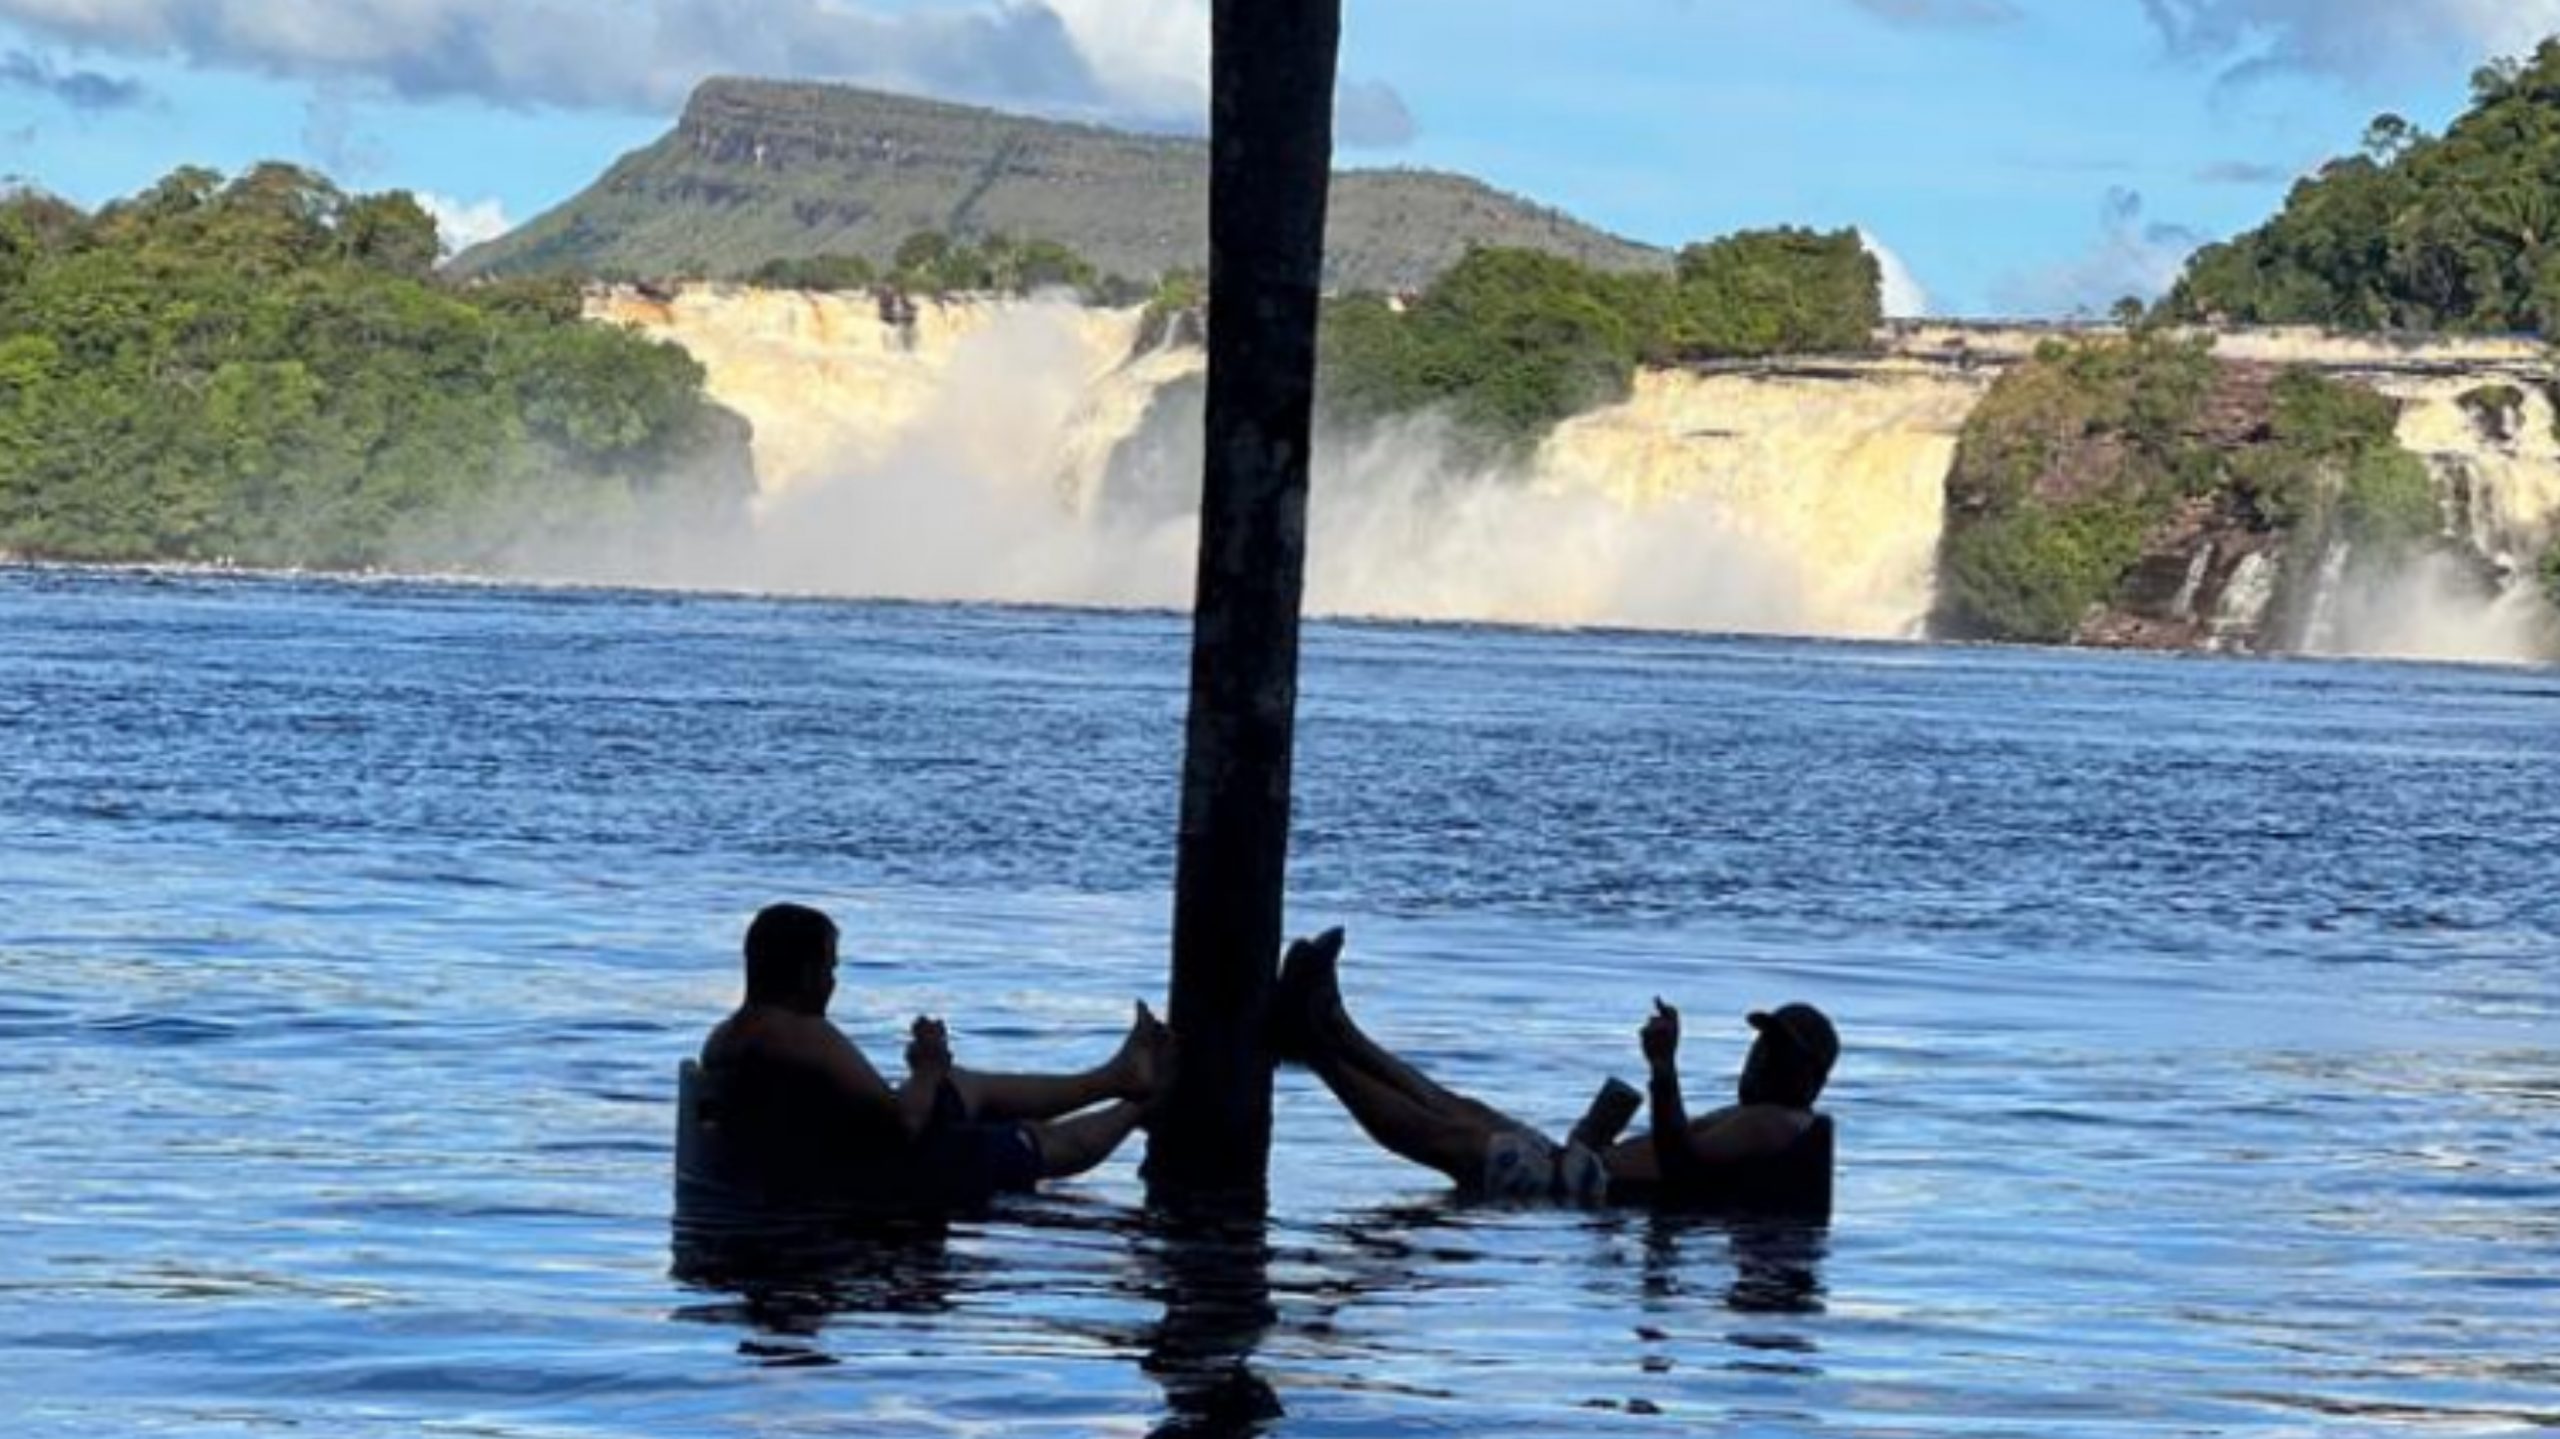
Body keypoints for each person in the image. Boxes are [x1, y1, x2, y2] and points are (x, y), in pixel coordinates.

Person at [1273, 928, 1837, 1212]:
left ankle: (1316, 1045)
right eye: (1761, 1044)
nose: (1760, 1058)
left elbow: (1683, 1169)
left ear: (1807, 1077)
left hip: (1582, 1189)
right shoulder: (1769, 1121)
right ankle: (1333, 1027)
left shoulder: (1777, 1124)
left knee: (1452, 1134)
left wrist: (1663, 1069)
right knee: (1462, 1112)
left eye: (1777, 1052)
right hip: (1579, 1170)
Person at [692, 902, 1172, 1211]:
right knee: (1040, 1142)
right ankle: (1143, 1102)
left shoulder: (729, 1037)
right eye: (830, 969)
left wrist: (935, 1076)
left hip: (842, 1154)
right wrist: (927, 1064)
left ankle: (1117, 1077)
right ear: (805, 973)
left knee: (965, 1086)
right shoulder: (803, 1034)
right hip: (890, 1170)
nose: (833, 983)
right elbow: (904, 1124)